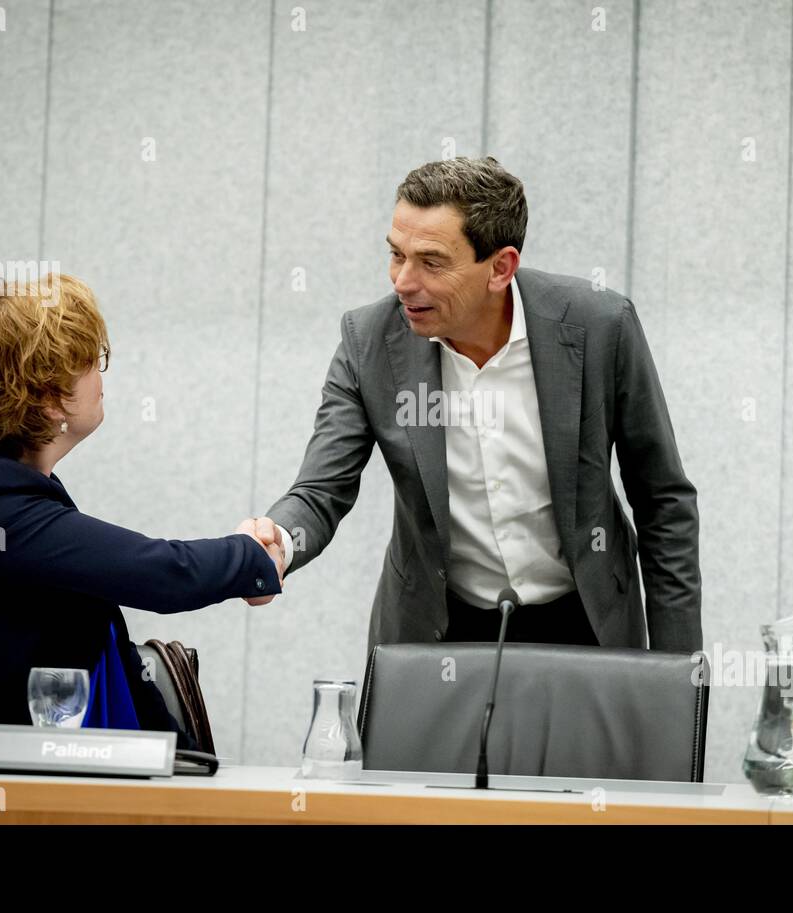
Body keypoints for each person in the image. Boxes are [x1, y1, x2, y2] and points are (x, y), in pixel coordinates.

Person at [243, 156, 701, 655]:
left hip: (585, 623)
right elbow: (321, 490)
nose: (402, 281)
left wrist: (678, 671)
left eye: (431, 261)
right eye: (396, 255)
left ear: (500, 267)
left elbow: (663, 500)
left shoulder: (601, 326)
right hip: (437, 628)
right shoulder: (368, 341)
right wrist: (279, 543)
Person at [0, 275, 284, 753]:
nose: (101, 378)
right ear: (45, 394)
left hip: (20, 767)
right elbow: (156, 571)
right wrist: (251, 557)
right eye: (89, 362)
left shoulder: (13, 487)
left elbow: (97, 613)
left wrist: (187, 759)